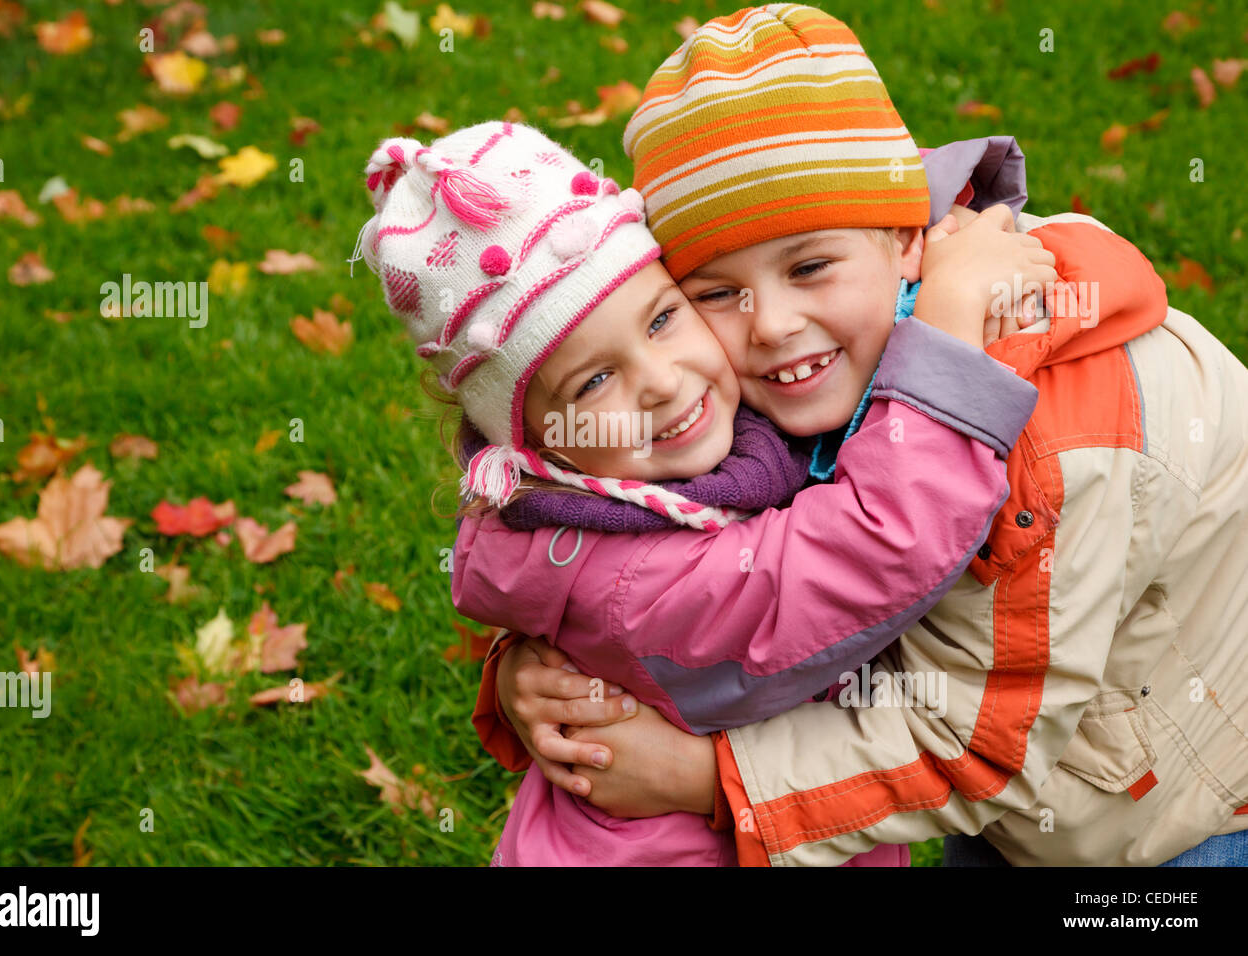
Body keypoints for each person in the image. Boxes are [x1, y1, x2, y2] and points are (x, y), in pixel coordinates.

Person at [487, 4, 1248, 867]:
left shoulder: (1046, 439)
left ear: (908, 239)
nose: (770, 324)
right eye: (714, 291)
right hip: (1036, 794)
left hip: (1174, 819)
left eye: (810, 266)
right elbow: (682, 572)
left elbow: (989, 748)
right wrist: (542, 669)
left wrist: (711, 778)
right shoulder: (772, 374)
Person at [357, 118, 1047, 865]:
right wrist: (946, 334)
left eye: (662, 319)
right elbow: (871, 548)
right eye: (593, 381)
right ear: (533, 448)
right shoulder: (634, 582)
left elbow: (803, 193)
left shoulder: (656, 464)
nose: (661, 380)